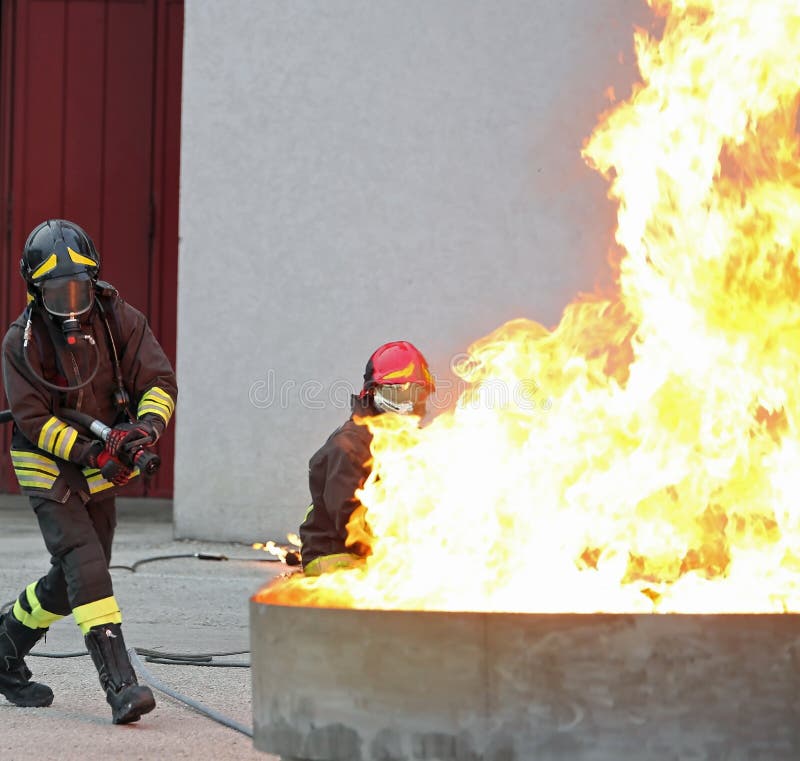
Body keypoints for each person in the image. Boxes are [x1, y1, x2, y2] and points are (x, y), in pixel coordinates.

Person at [0, 219, 177, 724]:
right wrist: (92, 453)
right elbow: (34, 422)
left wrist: (145, 429)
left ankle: (4, 647)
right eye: (56, 292)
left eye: (78, 288)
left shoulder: (120, 319)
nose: (69, 302)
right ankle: (122, 687)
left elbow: (159, 380)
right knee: (86, 564)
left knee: (74, 576)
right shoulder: (21, 341)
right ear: (36, 291)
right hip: (46, 463)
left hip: (100, 461)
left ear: (95, 280)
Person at [299, 340, 433, 575]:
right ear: (373, 392)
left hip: (373, 554)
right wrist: (407, 548)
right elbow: (352, 525)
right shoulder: (350, 445)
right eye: (395, 392)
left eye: (413, 392)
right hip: (335, 556)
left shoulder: (410, 443)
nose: (406, 403)